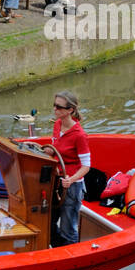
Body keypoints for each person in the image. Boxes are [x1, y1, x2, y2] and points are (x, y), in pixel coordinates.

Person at [50, 90, 90, 245]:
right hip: (56, 181)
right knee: (49, 222)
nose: (55, 109)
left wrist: (71, 180)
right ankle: (58, 250)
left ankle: (70, 255)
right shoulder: (57, 124)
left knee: (68, 230)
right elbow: (55, 149)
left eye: (59, 107)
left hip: (72, 186)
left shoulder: (79, 135)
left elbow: (86, 166)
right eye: (54, 105)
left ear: (70, 110)